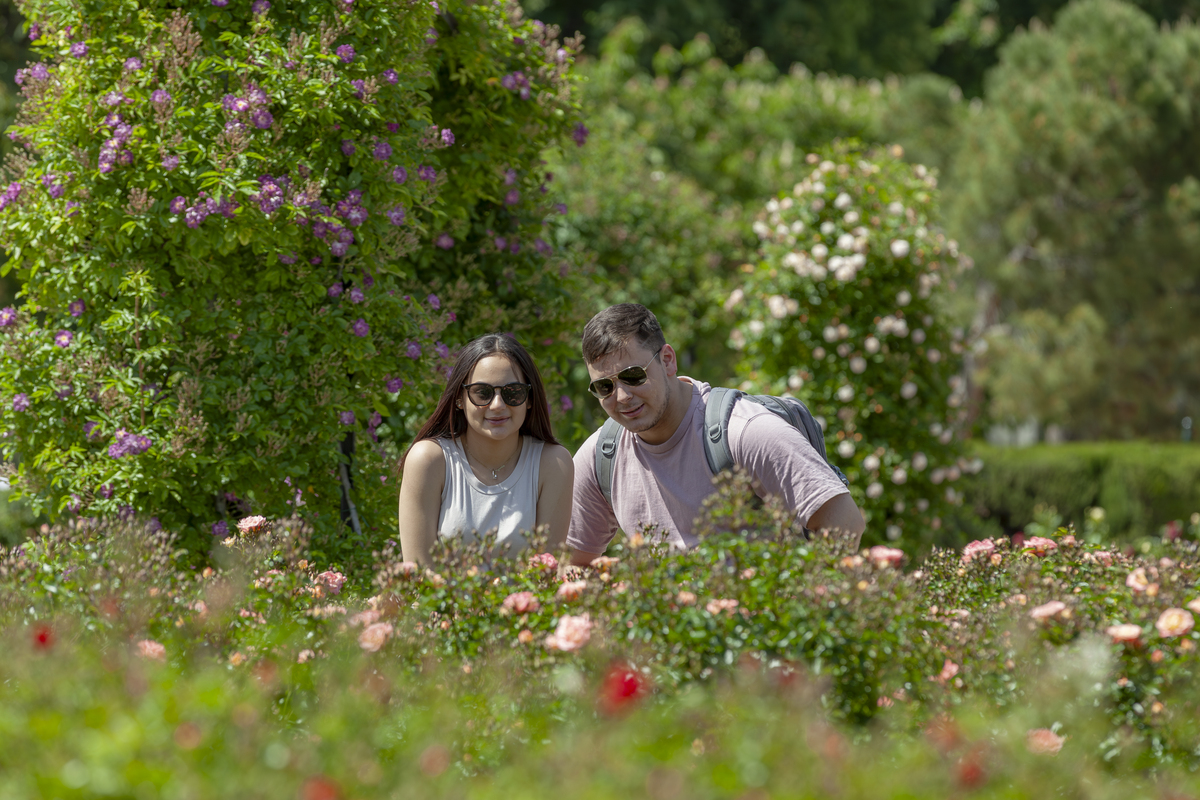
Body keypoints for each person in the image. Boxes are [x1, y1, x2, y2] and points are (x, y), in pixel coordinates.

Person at [567, 304, 864, 566]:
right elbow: (574, 564)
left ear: (667, 360)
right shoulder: (600, 456)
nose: (621, 397)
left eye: (633, 376)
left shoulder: (746, 432)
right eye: (604, 387)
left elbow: (844, 523)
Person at [398, 333, 574, 565]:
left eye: (513, 392)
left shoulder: (553, 464)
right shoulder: (428, 460)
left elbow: (547, 572)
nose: (498, 405)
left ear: (529, 399)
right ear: (459, 399)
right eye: (482, 392)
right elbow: (418, 573)